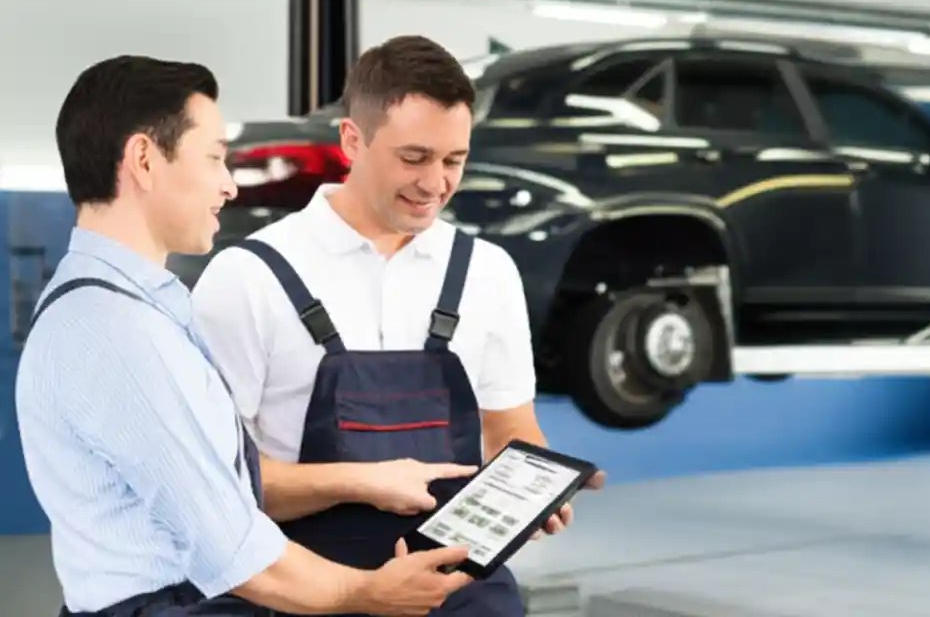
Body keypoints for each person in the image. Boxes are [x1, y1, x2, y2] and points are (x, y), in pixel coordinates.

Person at [15, 54, 477, 616]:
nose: (229, 186)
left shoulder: (123, 306)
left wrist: (366, 480)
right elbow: (236, 552)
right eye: (213, 158)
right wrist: (368, 592)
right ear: (143, 159)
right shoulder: (119, 333)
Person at [191, 34, 604, 616]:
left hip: (458, 585)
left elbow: (512, 427)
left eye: (453, 160)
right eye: (414, 158)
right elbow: (214, 489)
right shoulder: (246, 279)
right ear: (352, 140)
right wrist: (363, 481)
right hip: (302, 585)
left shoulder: (487, 273)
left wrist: (535, 488)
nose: (435, 183)